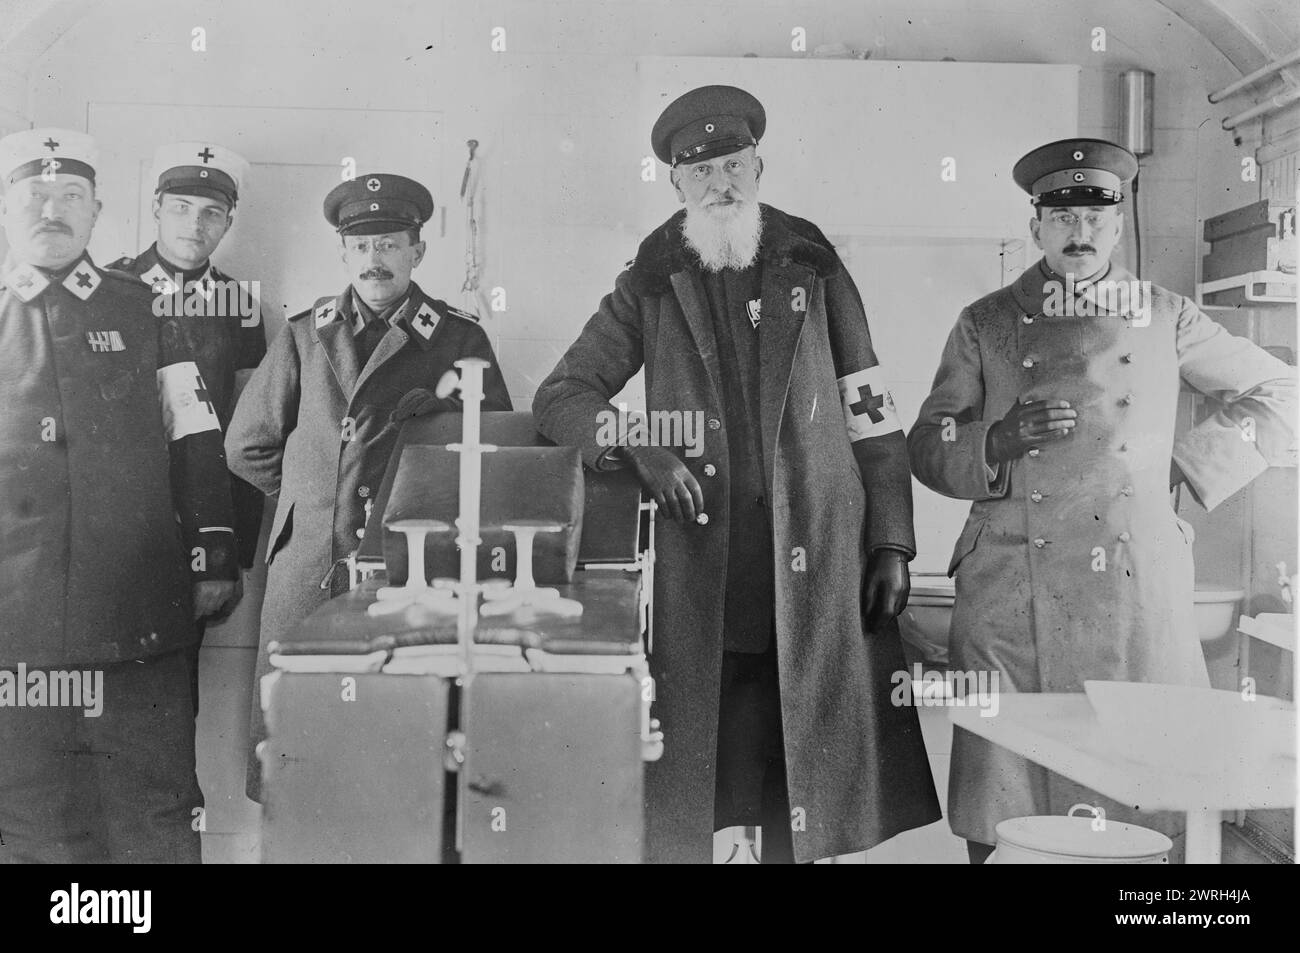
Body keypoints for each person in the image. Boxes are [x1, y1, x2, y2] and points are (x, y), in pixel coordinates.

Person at [533, 85, 941, 864]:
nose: (721, 185)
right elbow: (562, 394)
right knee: (709, 791)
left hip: (819, 563)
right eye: (703, 172)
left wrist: (892, 538)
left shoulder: (812, 261)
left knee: (807, 790)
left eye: (733, 166)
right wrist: (635, 444)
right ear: (676, 185)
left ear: (760, 166)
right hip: (707, 578)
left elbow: (872, 416)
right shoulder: (651, 279)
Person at [907, 137, 1297, 863]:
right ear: (1036, 226)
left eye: (1095, 217)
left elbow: (1282, 390)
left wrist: (1181, 464)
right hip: (1011, 594)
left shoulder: (1166, 316)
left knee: (1144, 784)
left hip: (1133, 588)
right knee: (1003, 795)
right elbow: (927, 444)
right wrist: (994, 440)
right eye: (1061, 217)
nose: (1079, 233)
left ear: (1117, 227)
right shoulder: (985, 321)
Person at [226, 172, 512, 799]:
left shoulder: (460, 340)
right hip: (308, 570)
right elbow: (246, 445)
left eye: (389, 245)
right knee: (297, 748)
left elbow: (490, 459)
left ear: (417, 250)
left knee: (398, 761)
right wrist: (309, 501)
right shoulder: (305, 334)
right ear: (344, 253)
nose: (374, 260)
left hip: (413, 570)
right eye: (361, 246)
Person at [0, 128, 240, 862]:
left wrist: (211, 558)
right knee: (33, 813)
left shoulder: (144, 310)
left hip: (138, 614)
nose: (52, 208)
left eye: (70, 195)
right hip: (15, 628)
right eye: (35, 195)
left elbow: (196, 439)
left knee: (156, 806)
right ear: (8, 209)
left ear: (98, 210)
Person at [110, 141, 267, 709]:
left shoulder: (239, 305)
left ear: (228, 221)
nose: (193, 224)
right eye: (180, 207)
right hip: (116, 525)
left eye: (210, 213)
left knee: (173, 700)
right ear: (155, 208)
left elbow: (252, 433)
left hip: (200, 526)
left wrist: (230, 550)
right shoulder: (111, 290)